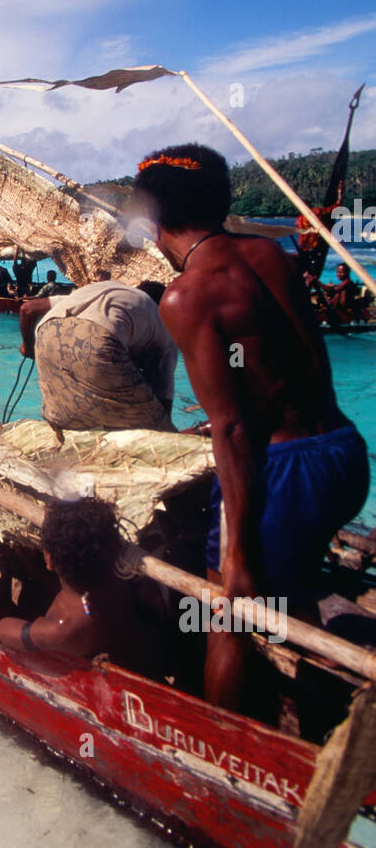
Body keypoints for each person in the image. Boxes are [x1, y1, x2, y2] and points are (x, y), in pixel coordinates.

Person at [132, 143, 369, 710]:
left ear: (153, 219)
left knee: (228, 614)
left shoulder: (186, 296)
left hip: (286, 470)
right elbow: (267, 365)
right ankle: (313, 702)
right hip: (343, 452)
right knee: (290, 584)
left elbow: (233, 428)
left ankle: (227, 757)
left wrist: (235, 550)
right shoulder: (272, 257)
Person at [0, 497, 169, 676]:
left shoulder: (59, 628)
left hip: (87, 649)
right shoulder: (114, 579)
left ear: (50, 560)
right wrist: (32, 567)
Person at [19, 279, 177, 433]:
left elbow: (28, 309)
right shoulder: (162, 321)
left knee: (65, 419)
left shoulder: (104, 291)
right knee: (156, 426)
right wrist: (162, 424)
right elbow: (163, 395)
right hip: (97, 338)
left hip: (46, 334)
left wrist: (28, 346)